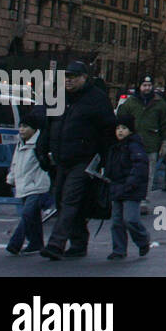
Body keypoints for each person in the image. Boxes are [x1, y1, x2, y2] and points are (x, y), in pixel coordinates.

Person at [42, 61, 116, 260]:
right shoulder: (59, 97)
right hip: (61, 158)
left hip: (84, 158)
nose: (68, 80)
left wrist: (103, 160)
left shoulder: (97, 100)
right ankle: (79, 241)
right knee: (62, 200)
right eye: (66, 76)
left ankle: (56, 243)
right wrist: (43, 151)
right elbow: (48, 125)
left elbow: (108, 131)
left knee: (70, 200)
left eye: (73, 76)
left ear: (85, 77)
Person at [115, 75, 166, 214]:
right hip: (132, 144)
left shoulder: (159, 103)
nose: (147, 88)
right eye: (144, 85)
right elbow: (121, 119)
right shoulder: (130, 102)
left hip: (151, 143)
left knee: (149, 173)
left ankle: (144, 200)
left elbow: (165, 124)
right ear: (139, 87)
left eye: (149, 85)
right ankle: (129, 198)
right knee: (130, 171)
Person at [105, 113, 153, 259]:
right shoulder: (115, 147)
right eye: (118, 128)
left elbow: (140, 166)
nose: (120, 131)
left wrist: (131, 183)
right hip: (117, 187)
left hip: (131, 188)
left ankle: (143, 240)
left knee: (130, 219)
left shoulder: (134, 145)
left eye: (124, 128)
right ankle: (119, 250)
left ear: (130, 130)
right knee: (117, 222)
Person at [5, 114, 53, 256]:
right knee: (33, 217)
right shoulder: (20, 143)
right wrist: (11, 178)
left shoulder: (40, 144)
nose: (21, 129)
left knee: (27, 214)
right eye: (20, 126)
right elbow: (15, 163)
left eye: (25, 127)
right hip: (24, 185)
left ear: (34, 129)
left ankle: (15, 243)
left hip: (37, 185)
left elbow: (48, 162)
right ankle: (36, 243)